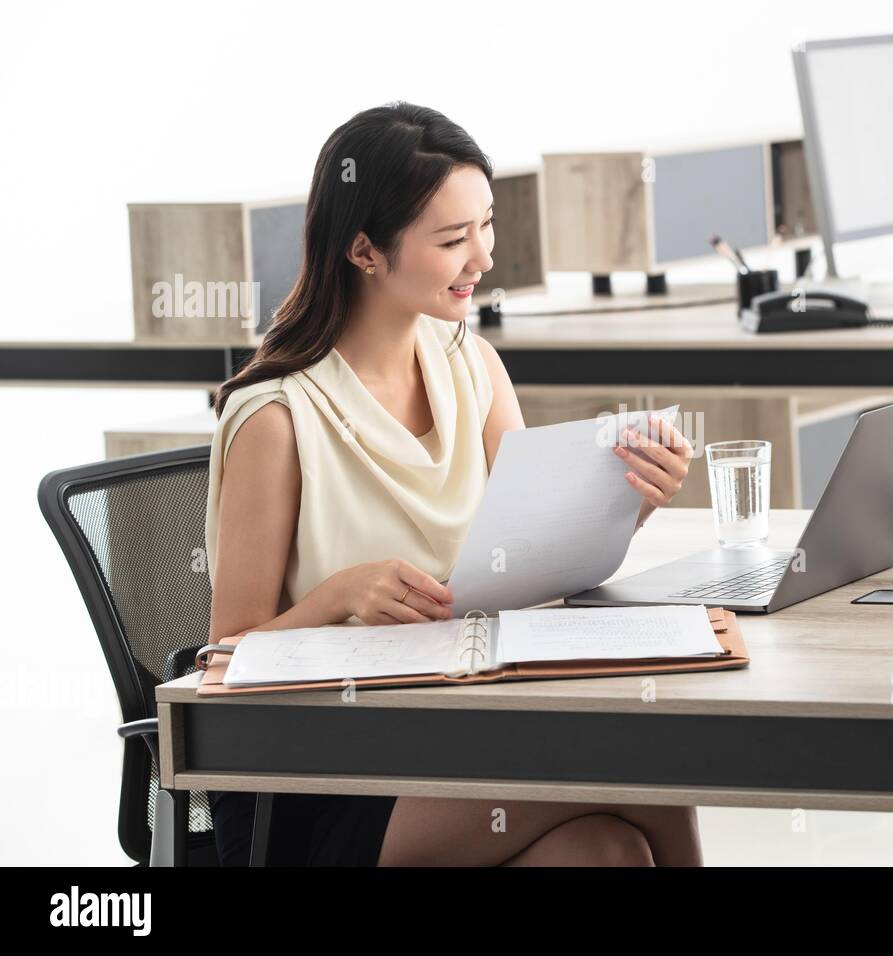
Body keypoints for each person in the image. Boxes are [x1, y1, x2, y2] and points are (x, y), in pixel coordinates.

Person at [205, 102, 699, 866]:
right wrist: (335, 599)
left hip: (465, 726)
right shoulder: (278, 416)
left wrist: (627, 501)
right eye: (452, 239)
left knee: (606, 852)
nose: (484, 257)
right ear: (365, 250)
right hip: (324, 781)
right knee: (639, 758)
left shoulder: (472, 364)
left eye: (486, 225)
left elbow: (538, 557)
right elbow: (224, 659)